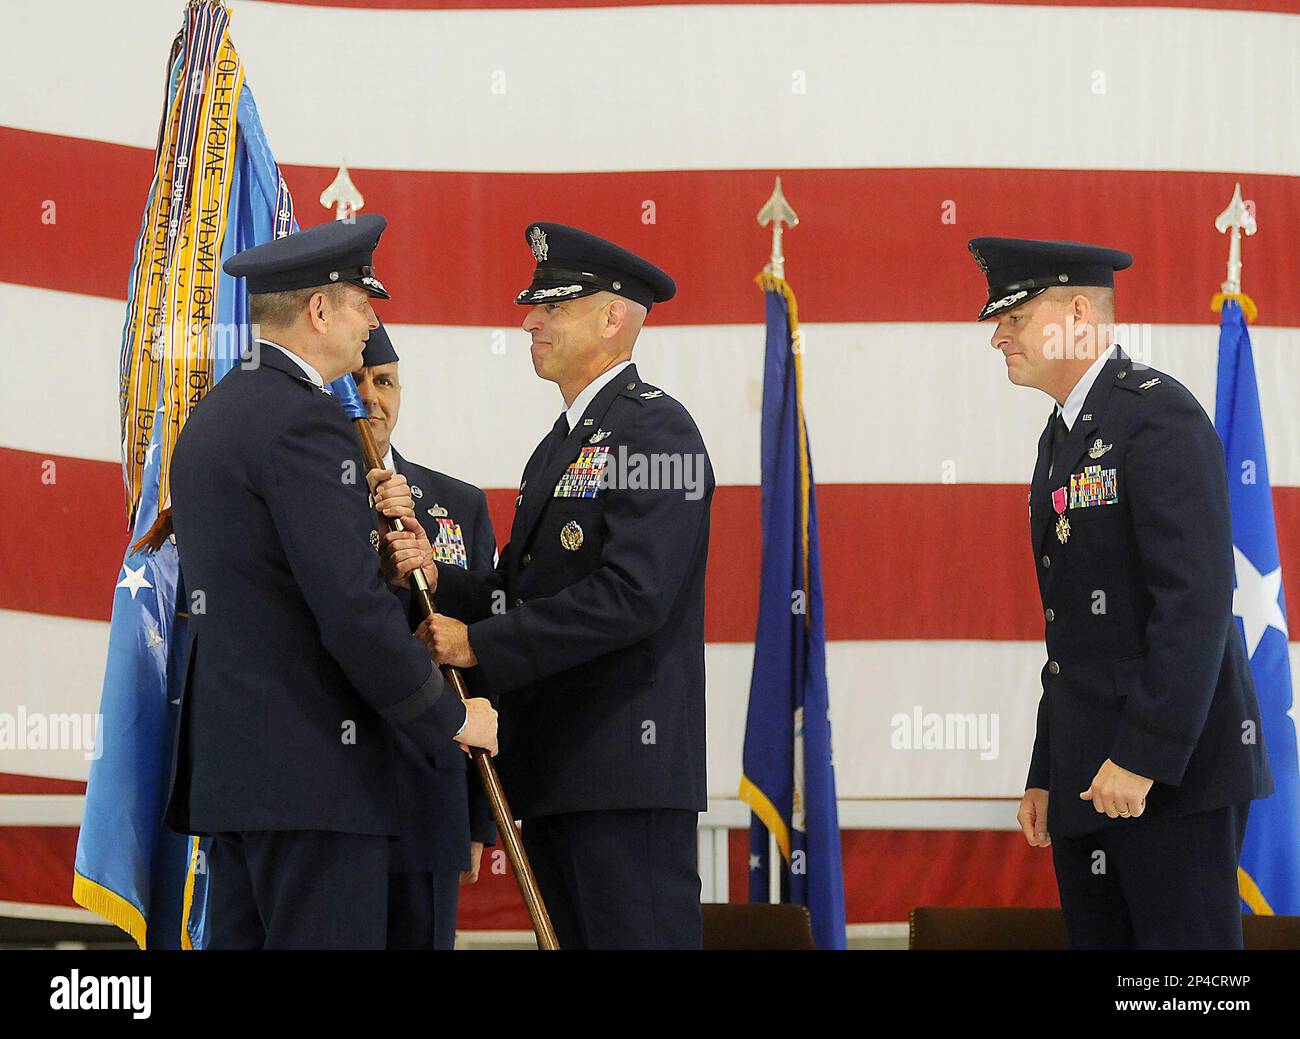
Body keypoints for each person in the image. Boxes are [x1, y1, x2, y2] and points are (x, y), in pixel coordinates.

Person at [165, 215, 497, 949]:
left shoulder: (212, 417)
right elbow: (348, 613)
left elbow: (274, 587)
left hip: (239, 782)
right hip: (318, 781)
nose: (369, 322)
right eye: (361, 302)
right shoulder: (305, 423)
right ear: (320, 310)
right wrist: (447, 716)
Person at [385, 222, 713, 949]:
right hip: (562, 770)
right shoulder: (558, 445)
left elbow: (635, 594)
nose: (530, 320)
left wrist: (480, 644)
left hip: (625, 773)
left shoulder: (658, 432)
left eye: (553, 306)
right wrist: (445, 580)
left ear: (612, 316)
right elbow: (519, 587)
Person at [971, 235, 1273, 949]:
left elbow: (1194, 603)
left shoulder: (1157, 417)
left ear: (1077, 310)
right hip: (1090, 776)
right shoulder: (1061, 435)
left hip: (1168, 778)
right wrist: (1048, 767)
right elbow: (1072, 633)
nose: (998, 337)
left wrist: (1143, 754)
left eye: (1013, 317)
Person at [354, 321, 498, 950]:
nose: (369, 397)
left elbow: (479, 655)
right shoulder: (302, 498)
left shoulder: (455, 504)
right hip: (335, 781)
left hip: (429, 784)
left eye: (383, 381)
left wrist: (475, 812)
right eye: (352, 382)